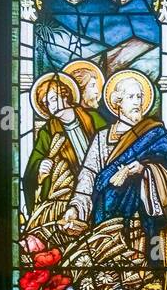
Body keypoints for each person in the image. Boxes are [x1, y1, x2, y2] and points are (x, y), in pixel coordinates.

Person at [62, 69, 167, 252]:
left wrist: (144, 170)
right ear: (118, 103)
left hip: (144, 222)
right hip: (106, 220)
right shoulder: (102, 137)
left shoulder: (156, 134)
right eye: (131, 96)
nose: (137, 101)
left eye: (140, 96)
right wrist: (76, 207)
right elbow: (89, 175)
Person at [22, 70, 105, 223]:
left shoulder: (94, 118)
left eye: (53, 99)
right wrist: (40, 168)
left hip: (103, 187)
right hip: (69, 197)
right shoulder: (47, 132)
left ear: (65, 94)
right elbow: (29, 174)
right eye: (46, 103)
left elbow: (116, 148)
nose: (51, 106)